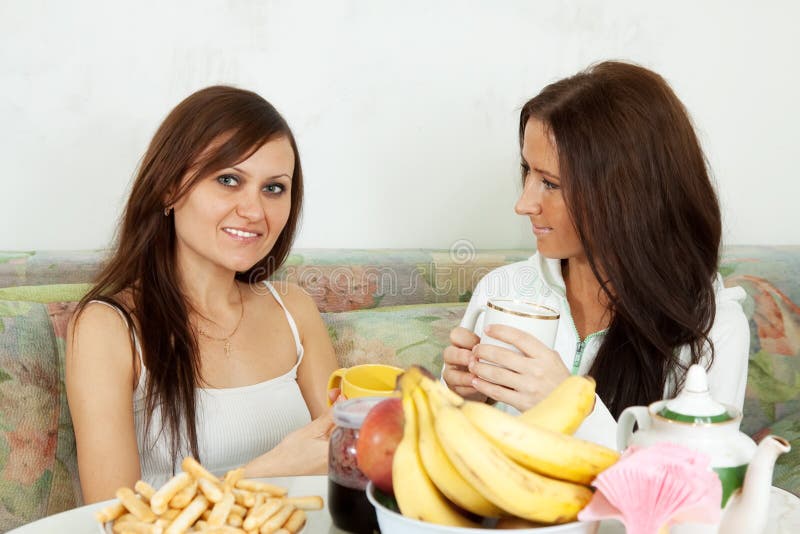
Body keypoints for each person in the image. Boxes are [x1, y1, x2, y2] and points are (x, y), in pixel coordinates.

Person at [442, 61, 749, 448]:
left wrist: (572, 409)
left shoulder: (714, 330)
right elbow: (450, 457)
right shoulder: (502, 291)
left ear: (627, 195)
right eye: (527, 171)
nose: (523, 204)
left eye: (550, 183)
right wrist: (462, 400)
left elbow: (693, 495)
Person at [66, 86, 339, 503]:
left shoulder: (294, 310)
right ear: (169, 188)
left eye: (274, 188)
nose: (254, 210)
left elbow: (351, 457)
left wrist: (451, 394)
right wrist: (269, 472)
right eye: (228, 180)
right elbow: (116, 521)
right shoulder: (108, 327)